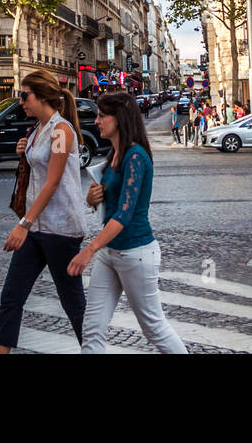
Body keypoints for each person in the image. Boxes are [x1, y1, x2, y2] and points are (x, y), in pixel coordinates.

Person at [69, 92, 186, 353]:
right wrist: (92, 198)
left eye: (102, 115)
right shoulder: (114, 155)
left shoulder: (136, 156)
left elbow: (124, 215)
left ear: (119, 119)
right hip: (109, 253)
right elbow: (109, 206)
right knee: (92, 329)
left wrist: (88, 250)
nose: (97, 120)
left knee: (154, 327)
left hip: (136, 253)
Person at [0, 70, 87, 353]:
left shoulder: (61, 130)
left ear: (42, 96)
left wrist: (23, 223)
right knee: (11, 297)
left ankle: (94, 349)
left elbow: (54, 180)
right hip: (37, 230)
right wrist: (25, 151)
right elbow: (39, 170)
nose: (21, 102)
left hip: (60, 230)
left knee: (74, 305)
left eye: (24, 96)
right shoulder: (38, 130)